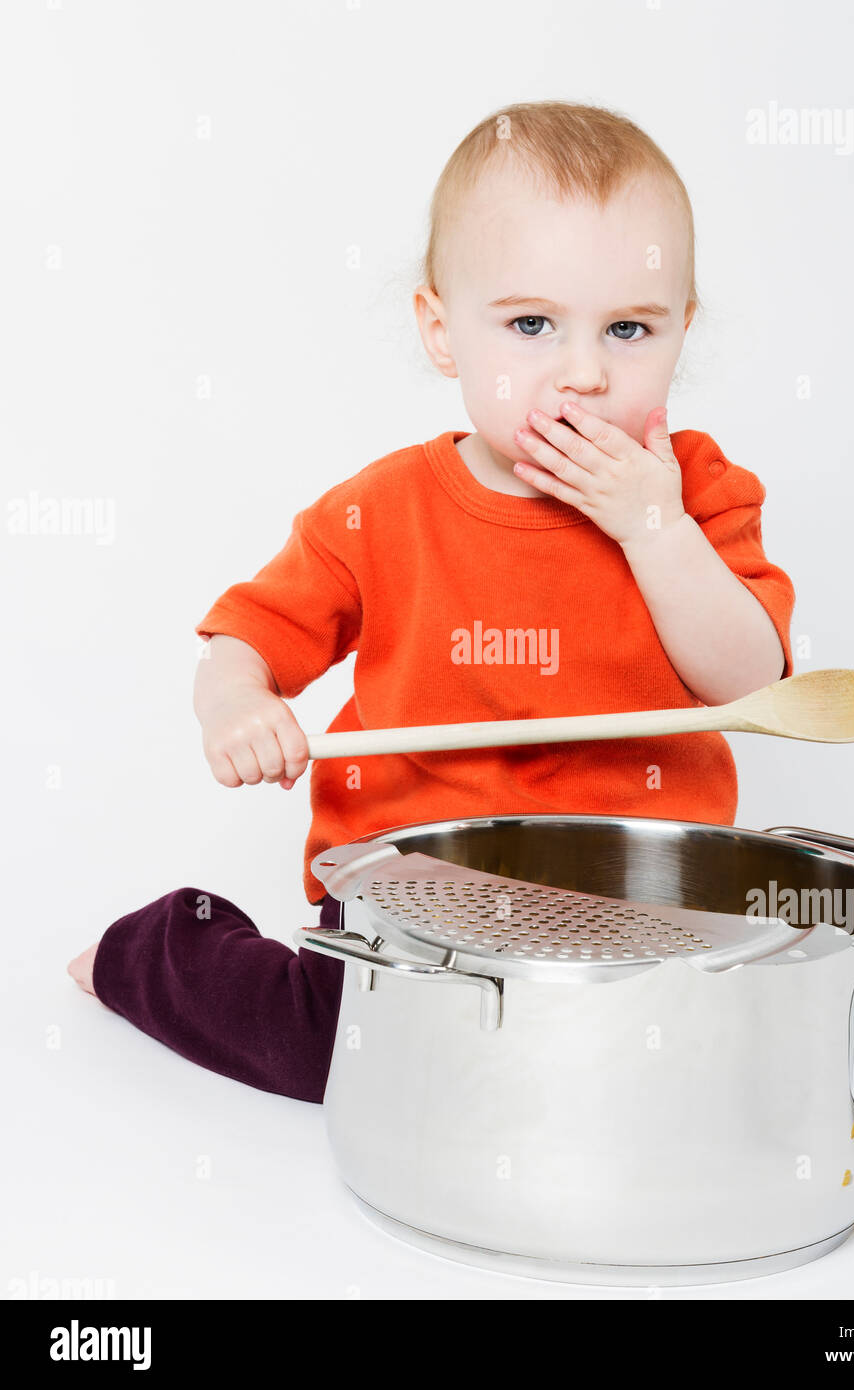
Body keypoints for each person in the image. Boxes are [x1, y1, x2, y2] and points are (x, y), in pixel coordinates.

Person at [67, 100, 795, 1103]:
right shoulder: (382, 511)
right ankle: (159, 951)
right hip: (415, 914)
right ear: (442, 331)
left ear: (680, 335)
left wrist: (651, 529)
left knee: (680, 1082)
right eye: (531, 325)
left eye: (628, 328)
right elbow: (241, 638)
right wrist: (236, 704)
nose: (583, 372)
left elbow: (749, 680)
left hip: (633, 914)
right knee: (337, 1059)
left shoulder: (695, 493)